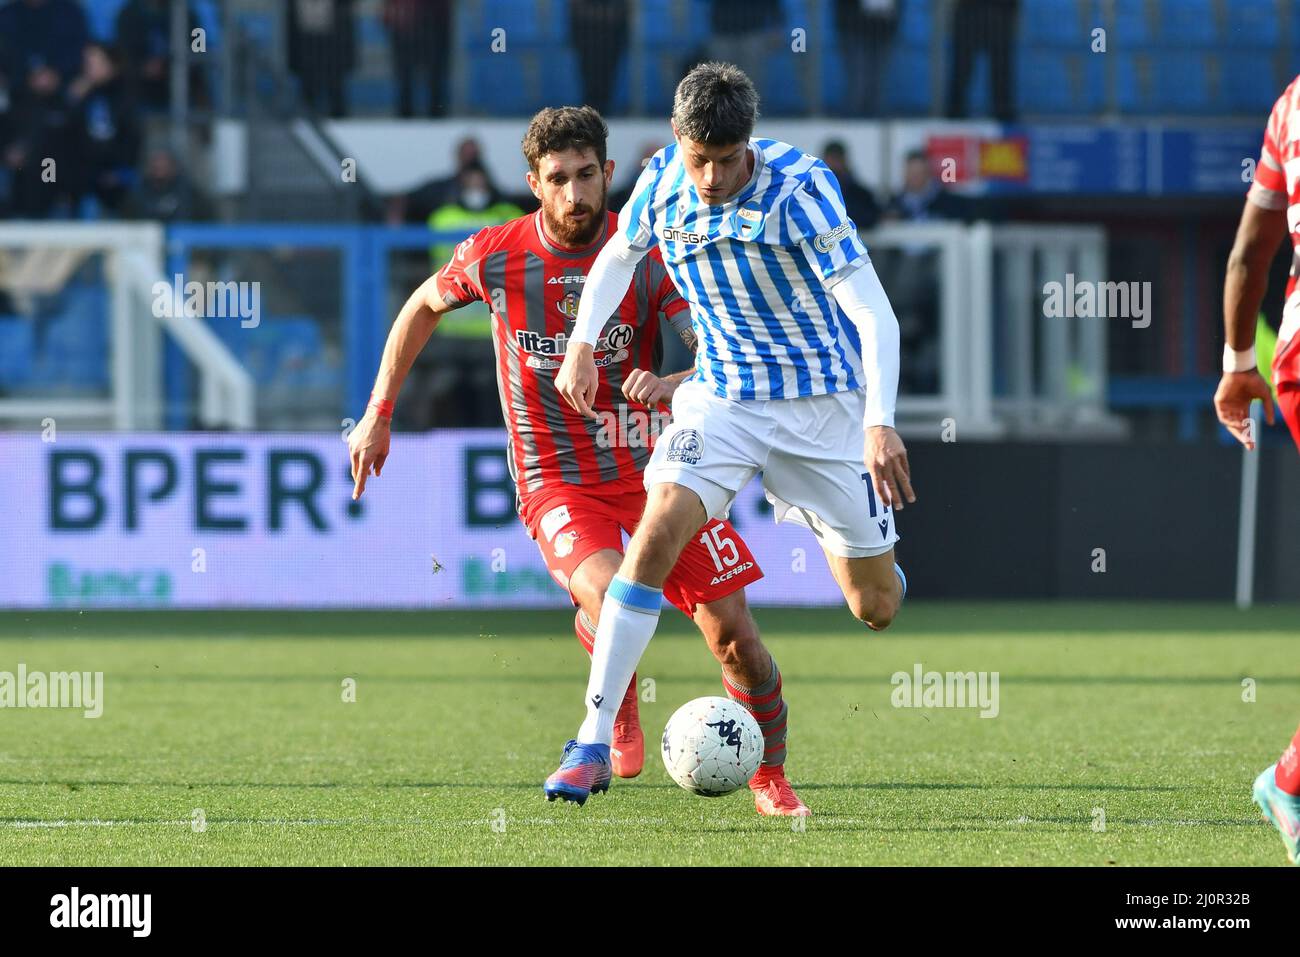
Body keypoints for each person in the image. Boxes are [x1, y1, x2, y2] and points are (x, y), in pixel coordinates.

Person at [348, 105, 810, 816]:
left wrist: (672, 381)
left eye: (587, 175)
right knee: (608, 591)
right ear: (534, 182)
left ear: (609, 174)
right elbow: (420, 307)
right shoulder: (495, 254)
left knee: (736, 637)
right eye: (558, 179)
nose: (574, 194)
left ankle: (769, 774)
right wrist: (378, 414)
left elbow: (711, 352)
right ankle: (610, 714)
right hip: (557, 480)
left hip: (661, 472)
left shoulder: (649, 256)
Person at [544, 63, 912, 806]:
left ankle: (864, 543)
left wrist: (880, 422)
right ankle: (588, 740)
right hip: (723, 402)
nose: (711, 177)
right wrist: (583, 340)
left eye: (727, 158)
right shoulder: (661, 181)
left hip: (822, 408)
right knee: (653, 539)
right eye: (698, 158)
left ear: (751, 142)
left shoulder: (800, 191)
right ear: (679, 140)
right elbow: (620, 255)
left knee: (876, 606)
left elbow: (874, 313)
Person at [1213, 76, 1300, 865]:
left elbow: (1250, 251)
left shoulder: (1290, 104)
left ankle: (1290, 779)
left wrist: (1240, 361)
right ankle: (1290, 781)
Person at [946, 0, 1019, 123]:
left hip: (1001, 9)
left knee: (1001, 67)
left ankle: (1003, 114)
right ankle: (955, 113)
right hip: (969, 9)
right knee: (962, 65)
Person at [383, 0, 452, 118]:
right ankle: (405, 117)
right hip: (404, 23)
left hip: (433, 22)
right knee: (404, 78)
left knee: (434, 77)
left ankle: (436, 117)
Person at [834, 0, 898, 117]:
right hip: (853, 26)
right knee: (858, 83)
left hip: (884, 27)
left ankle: (876, 123)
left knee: (878, 83)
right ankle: (852, 122)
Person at [569, 0, 627, 116]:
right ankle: (589, 110)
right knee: (588, 73)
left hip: (611, 34)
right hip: (586, 34)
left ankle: (603, 109)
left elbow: (622, 8)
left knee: (607, 74)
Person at [823, 139, 881, 230]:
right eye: (831, 160)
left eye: (837, 159)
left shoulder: (861, 195)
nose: (834, 165)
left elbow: (871, 218)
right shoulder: (810, 195)